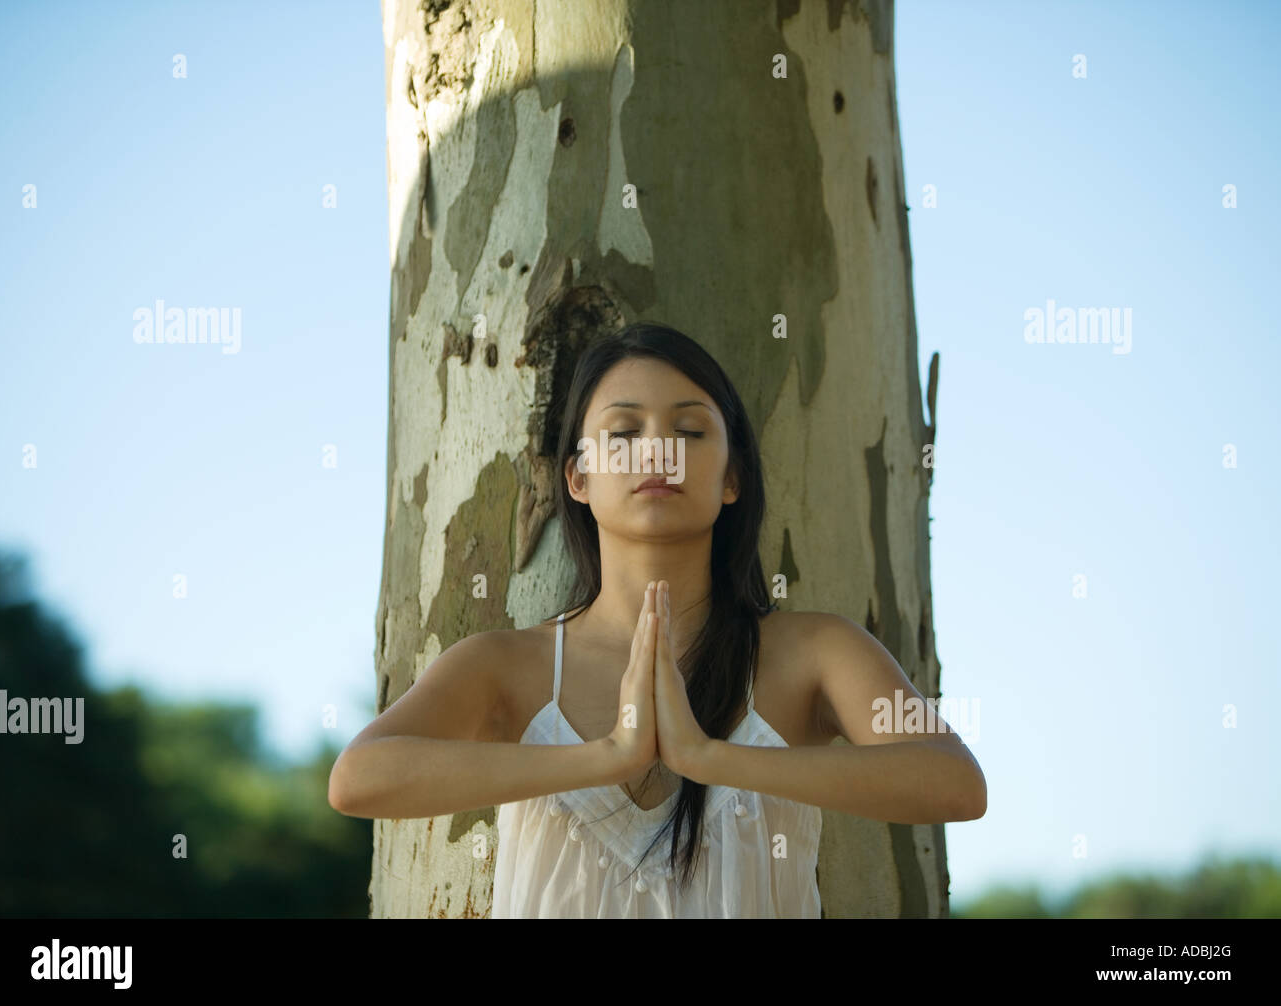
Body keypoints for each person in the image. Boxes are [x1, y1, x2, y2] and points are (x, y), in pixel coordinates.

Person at [328, 321, 987, 917]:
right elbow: (358, 777)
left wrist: (708, 755)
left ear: (732, 477)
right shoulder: (508, 664)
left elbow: (955, 783)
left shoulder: (811, 652)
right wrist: (607, 755)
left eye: (689, 430)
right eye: (624, 432)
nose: (657, 453)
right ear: (578, 478)